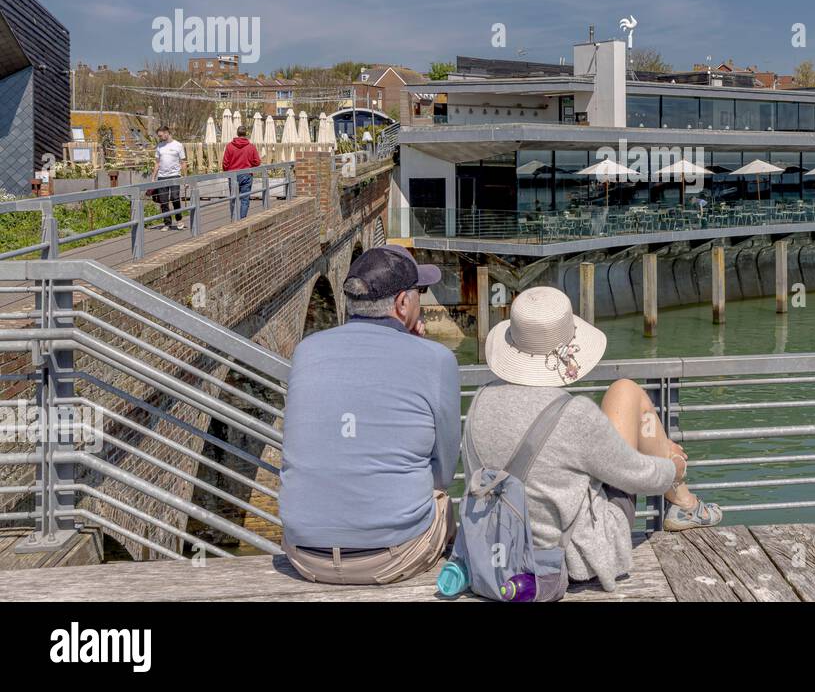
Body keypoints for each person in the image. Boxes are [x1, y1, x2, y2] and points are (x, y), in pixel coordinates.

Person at [468, 286, 722, 593]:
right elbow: (637, 476)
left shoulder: (480, 401)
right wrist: (673, 467)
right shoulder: (573, 414)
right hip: (573, 558)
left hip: (498, 549)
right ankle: (684, 500)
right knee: (625, 391)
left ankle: (684, 501)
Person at [280, 246, 459, 585]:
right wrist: (419, 348)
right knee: (444, 506)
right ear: (403, 304)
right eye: (420, 292)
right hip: (390, 556)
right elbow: (444, 473)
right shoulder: (436, 360)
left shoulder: (306, 351)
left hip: (304, 554)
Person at [221, 125, 262, 219]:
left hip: (233, 175)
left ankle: (234, 219)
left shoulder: (229, 146)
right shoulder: (251, 147)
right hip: (246, 174)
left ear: (237, 134)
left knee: (233, 199)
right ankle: (242, 220)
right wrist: (250, 164)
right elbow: (257, 162)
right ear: (246, 134)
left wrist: (227, 170)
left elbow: (225, 163)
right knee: (245, 199)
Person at [150, 126, 187, 230]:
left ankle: (179, 219)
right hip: (162, 176)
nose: (160, 137)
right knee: (163, 201)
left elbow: (183, 162)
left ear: (167, 133)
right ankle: (167, 223)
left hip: (175, 175)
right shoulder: (159, 146)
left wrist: (185, 178)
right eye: (159, 136)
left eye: (161, 135)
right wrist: (153, 178)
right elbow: (157, 163)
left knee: (175, 197)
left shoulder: (178, 145)